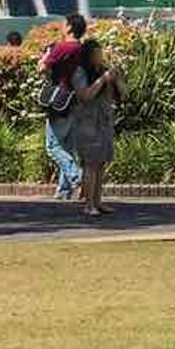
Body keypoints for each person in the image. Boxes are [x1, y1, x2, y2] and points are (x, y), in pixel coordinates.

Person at [59, 24, 122, 217]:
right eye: (95, 54)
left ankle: (98, 201)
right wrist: (102, 80)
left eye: (100, 54)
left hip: (103, 120)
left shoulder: (103, 69)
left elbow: (123, 94)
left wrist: (116, 79)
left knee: (101, 162)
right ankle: (88, 205)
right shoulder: (80, 73)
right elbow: (85, 95)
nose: (99, 58)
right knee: (90, 163)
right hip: (86, 122)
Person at [37, 14, 92, 201]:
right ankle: (63, 191)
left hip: (60, 100)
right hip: (78, 100)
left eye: (64, 24)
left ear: (69, 27)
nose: (62, 27)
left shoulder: (62, 48)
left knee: (52, 147)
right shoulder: (84, 50)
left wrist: (45, 55)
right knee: (66, 146)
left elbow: (42, 68)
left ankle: (77, 178)